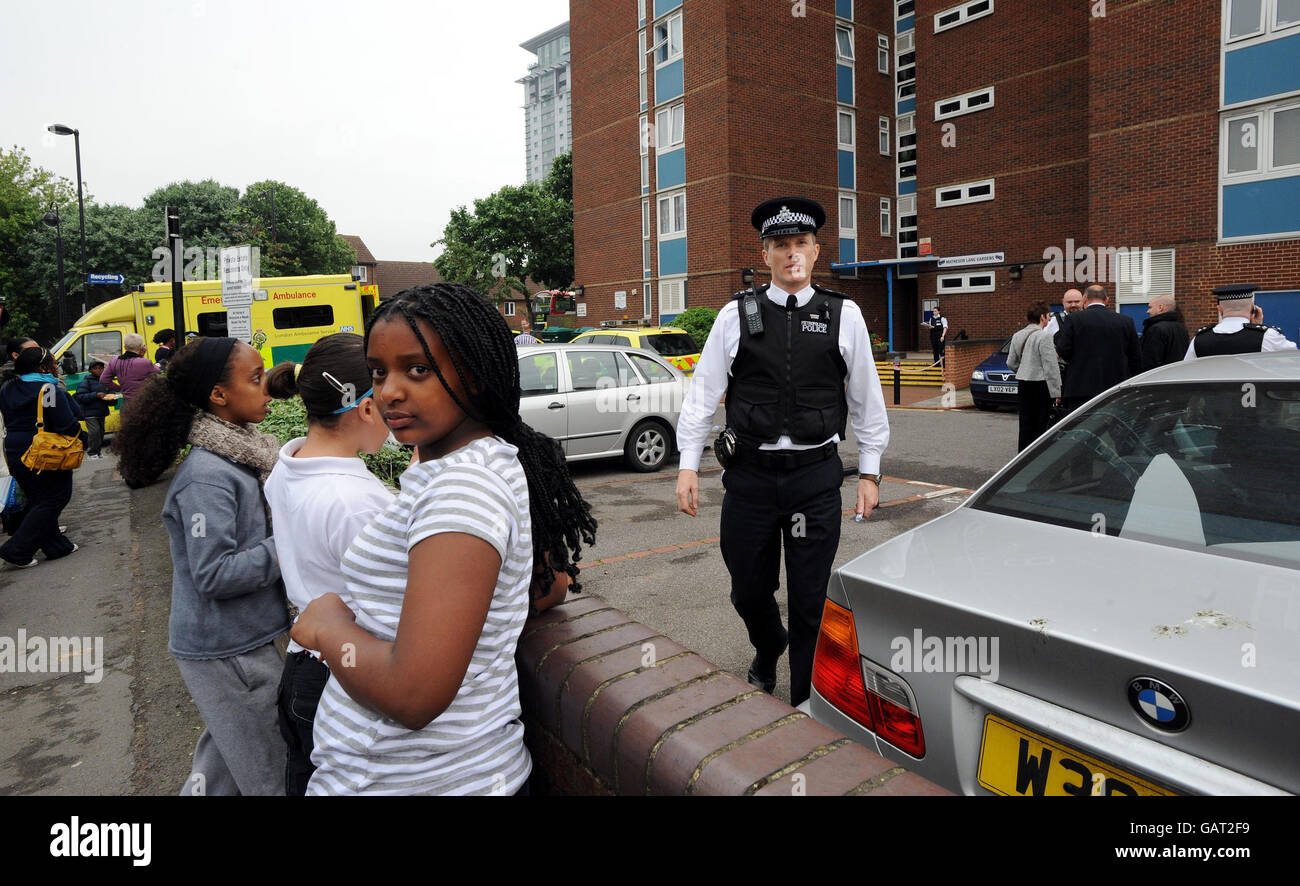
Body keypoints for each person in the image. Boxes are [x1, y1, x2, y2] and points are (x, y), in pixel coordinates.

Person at [291, 283, 597, 795]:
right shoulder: (471, 467)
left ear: (475, 377)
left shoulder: (461, 490)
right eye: (377, 371)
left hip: (421, 781)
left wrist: (325, 629)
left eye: (418, 370)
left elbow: (415, 695)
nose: (388, 391)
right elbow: (528, 588)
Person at [674, 196, 890, 707]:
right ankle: (769, 644)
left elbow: (866, 398)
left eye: (801, 243)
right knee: (748, 590)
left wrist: (871, 472)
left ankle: (803, 706)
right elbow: (703, 394)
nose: (791, 253)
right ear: (765, 253)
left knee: (811, 601)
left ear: (816, 252)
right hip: (750, 479)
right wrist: (687, 466)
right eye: (779, 245)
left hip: (814, 479)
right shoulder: (735, 315)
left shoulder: (844, 315)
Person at [113, 337, 288, 796]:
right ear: (218, 395)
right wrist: (290, 542)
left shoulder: (243, 455)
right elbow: (215, 573)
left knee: (224, 765)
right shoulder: (208, 476)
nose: (267, 387)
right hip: (227, 650)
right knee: (267, 771)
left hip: (240, 639)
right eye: (255, 378)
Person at [262, 334, 396, 796]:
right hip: (343, 672)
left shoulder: (289, 463)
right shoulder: (356, 500)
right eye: (388, 398)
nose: (397, 415)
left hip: (301, 664)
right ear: (363, 407)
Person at [0, 346, 84, 567]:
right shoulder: (49, 390)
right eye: (54, 363)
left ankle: (56, 546)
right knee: (55, 498)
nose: (57, 367)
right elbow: (66, 424)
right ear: (43, 367)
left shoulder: (7, 388)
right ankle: (16, 550)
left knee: (39, 500)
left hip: (14, 451)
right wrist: (84, 437)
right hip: (45, 451)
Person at [1053, 284, 1141, 414]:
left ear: (1084, 300)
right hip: (1116, 386)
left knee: (1081, 427)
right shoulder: (1126, 321)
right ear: (1107, 300)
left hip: (1080, 386)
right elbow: (1135, 357)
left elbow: (1063, 350)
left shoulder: (1073, 319)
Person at [1184, 283, 1298, 359]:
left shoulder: (1199, 339)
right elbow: (1293, 362)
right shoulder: (1268, 337)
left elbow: (1186, 371)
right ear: (1253, 308)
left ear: (1220, 310)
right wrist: (1258, 328)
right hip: (1254, 395)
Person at [1006, 303, 1061, 451]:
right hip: (1041, 386)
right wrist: (1056, 392)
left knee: (1025, 425)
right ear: (1042, 317)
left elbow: (1010, 362)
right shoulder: (1045, 336)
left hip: (1024, 385)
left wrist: (1023, 370)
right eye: (1048, 316)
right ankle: (1037, 459)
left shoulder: (1017, 335)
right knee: (1041, 426)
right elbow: (1051, 367)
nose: (1049, 320)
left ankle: (1022, 458)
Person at [74, 360, 117, 458]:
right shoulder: (86, 381)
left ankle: (98, 452)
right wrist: (96, 395)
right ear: (90, 370)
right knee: (94, 432)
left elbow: (111, 394)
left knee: (101, 432)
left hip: (101, 412)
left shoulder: (105, 382)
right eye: (95, 368)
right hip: (89, 413)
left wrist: (112, 397)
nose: (99, 370)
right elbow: (80, 396)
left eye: (101, 368)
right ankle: (91, 452)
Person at [100, 332, 160, 400]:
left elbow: (104, 379)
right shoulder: (145, 362)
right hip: (143, 401)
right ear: (141, 347)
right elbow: (158, 371)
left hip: (126, 402)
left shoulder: (114, 361)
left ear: (125, 347)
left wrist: (121, 389)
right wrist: (142, 356)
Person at [1140, 294, 1190, 370]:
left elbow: (1151, 362)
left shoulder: (1156, 329)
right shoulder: (1181, 328)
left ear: (1160, 308)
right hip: (1178, 375)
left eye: (1150, 307)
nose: (1147, 311)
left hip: (1158, 378)